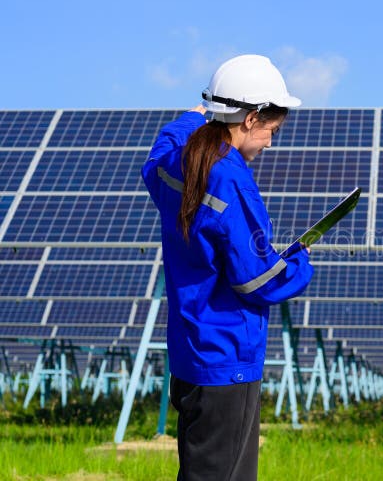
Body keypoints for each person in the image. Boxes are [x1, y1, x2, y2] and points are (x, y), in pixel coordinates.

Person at [141, 54, 314, 480]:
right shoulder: (230, 179)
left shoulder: (177, 162)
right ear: (252, 118)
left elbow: (155, 155)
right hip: (228, 358)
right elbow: (257, 279)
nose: (271, 143)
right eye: (272, 131)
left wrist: (191, 117)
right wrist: (299, 262)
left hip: (190, 353)